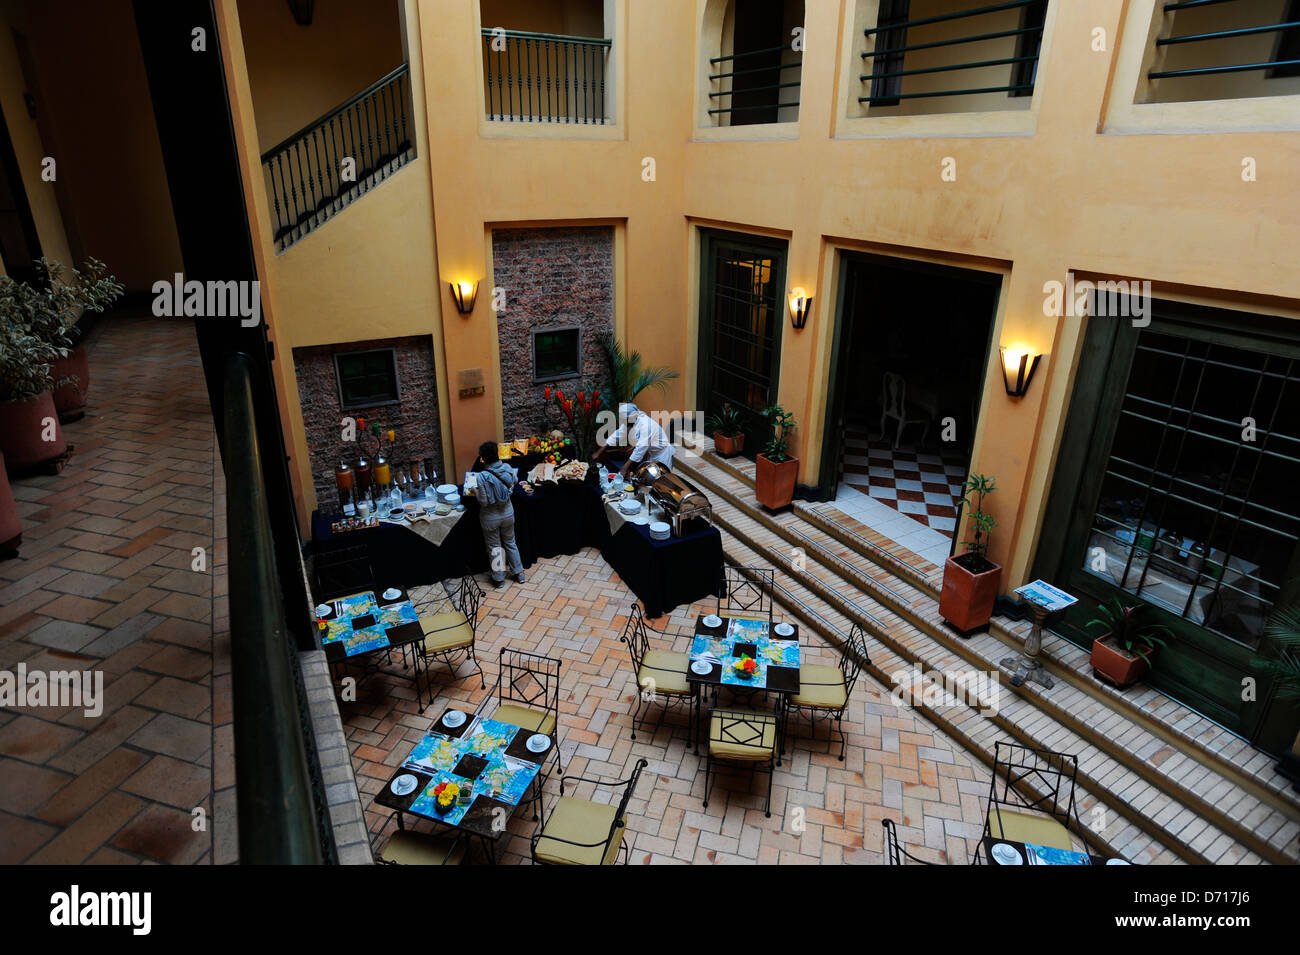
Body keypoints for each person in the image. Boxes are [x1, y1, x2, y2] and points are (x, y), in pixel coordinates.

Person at [473, 441, 525, 586]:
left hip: (490, 517)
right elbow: (514, 481)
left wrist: (475, 491)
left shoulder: (482, 476)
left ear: (483, 458)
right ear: (497, 454)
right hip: (508, 513)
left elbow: (483, 502)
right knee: (511, 542)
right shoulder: (507, 468)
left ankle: (499, 578)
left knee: (494, 547)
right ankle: (519, 573)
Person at [597, 402, 674, 478]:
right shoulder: (630, 421)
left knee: (661, 478)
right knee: (649, 477)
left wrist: (624, 468)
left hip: (662, 455)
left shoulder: (646, 425)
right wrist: (599, 452)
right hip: (651, 453)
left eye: (624, 419)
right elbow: (617, 434)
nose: (622, 422)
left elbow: (640, 449)